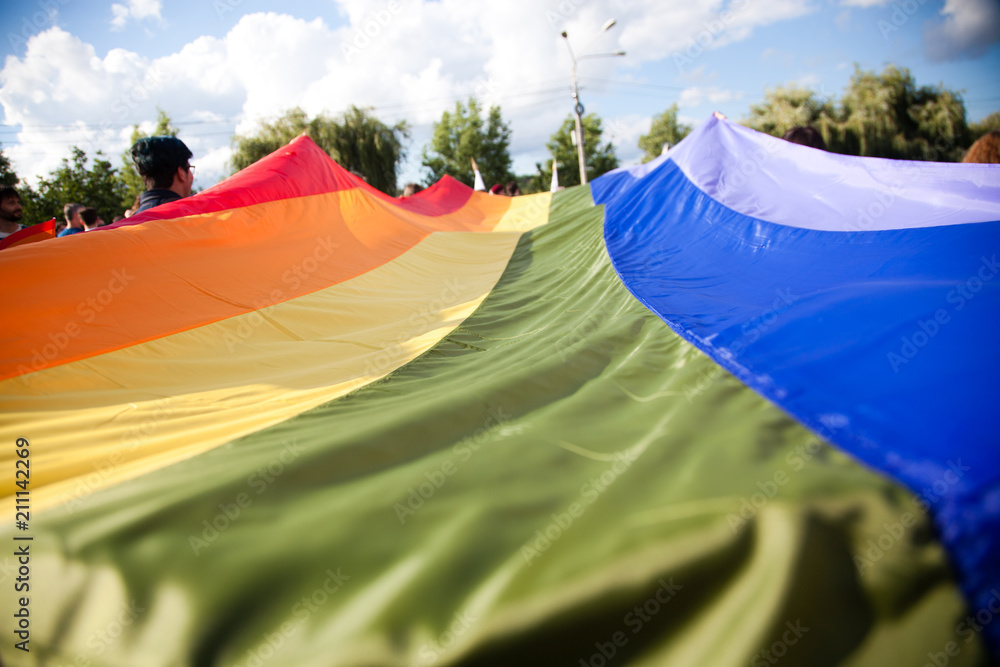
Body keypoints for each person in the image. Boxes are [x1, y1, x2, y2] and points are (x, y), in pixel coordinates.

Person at [130, 136, 194, 214]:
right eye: (190, 169)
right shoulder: (194, 218)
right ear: (181, 173)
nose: (192, 177)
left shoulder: (128, 223)